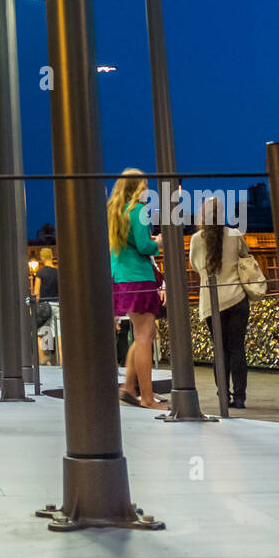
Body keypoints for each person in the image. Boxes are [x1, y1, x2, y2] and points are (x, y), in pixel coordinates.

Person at [108, 169, 168, 410]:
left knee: (141, 335)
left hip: (122, 278)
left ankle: (128, 388)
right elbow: (144, 246)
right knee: (144, 337)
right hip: (140, 278)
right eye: (144, 186)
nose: (147, 191)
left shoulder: (116, 212)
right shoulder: (139, 211)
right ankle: (147, 398)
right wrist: (160, 241)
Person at [189, 196, 251, 409]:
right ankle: (240, 397)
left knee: (220, 349)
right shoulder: (235, 235)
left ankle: (223, 395)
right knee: (237, 348)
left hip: (212, 302)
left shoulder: (196, 239)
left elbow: (196, 266)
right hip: (237, 298)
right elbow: (246, 258)